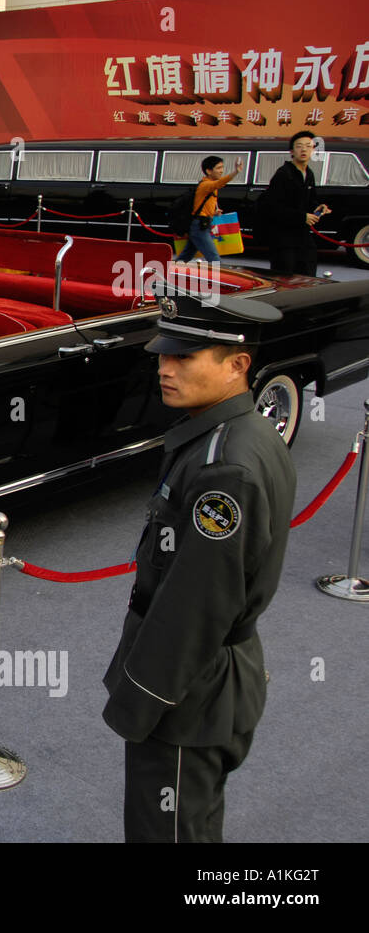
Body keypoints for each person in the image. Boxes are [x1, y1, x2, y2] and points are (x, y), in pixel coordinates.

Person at [103, 291, 295, 843]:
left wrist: (142, 699)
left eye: (184, 357)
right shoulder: (240, 435)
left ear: (238, 365)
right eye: (163, 355)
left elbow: (196, 605)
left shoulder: (225, 468)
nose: (164, 368)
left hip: (188, 695)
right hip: (210, 682)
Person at [264, 131, 331, 277]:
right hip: (283, 238)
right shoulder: (283, 174)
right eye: (299, 146)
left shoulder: (309, 173)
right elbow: (273, 208)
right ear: (291, 151)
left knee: (307, 275)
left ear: (313, 150)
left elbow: (310, 200)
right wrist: (302, 217)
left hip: (303, 235)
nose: (304, 150)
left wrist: (319, 207)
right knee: (284, 278)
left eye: (308, 146)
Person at [175, 155, 245, 264]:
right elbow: (220, 183)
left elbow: (201, 206)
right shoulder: (206, 185)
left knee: (185, 256)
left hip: (202, 224)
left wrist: (213, 212)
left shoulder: (209, 185)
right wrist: (235, 172)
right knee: (214, 259)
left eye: (222, 167)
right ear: (208, 171)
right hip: (199, 226)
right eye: (218, 168)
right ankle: (220, 279)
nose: (221, 171)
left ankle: (167, 274)